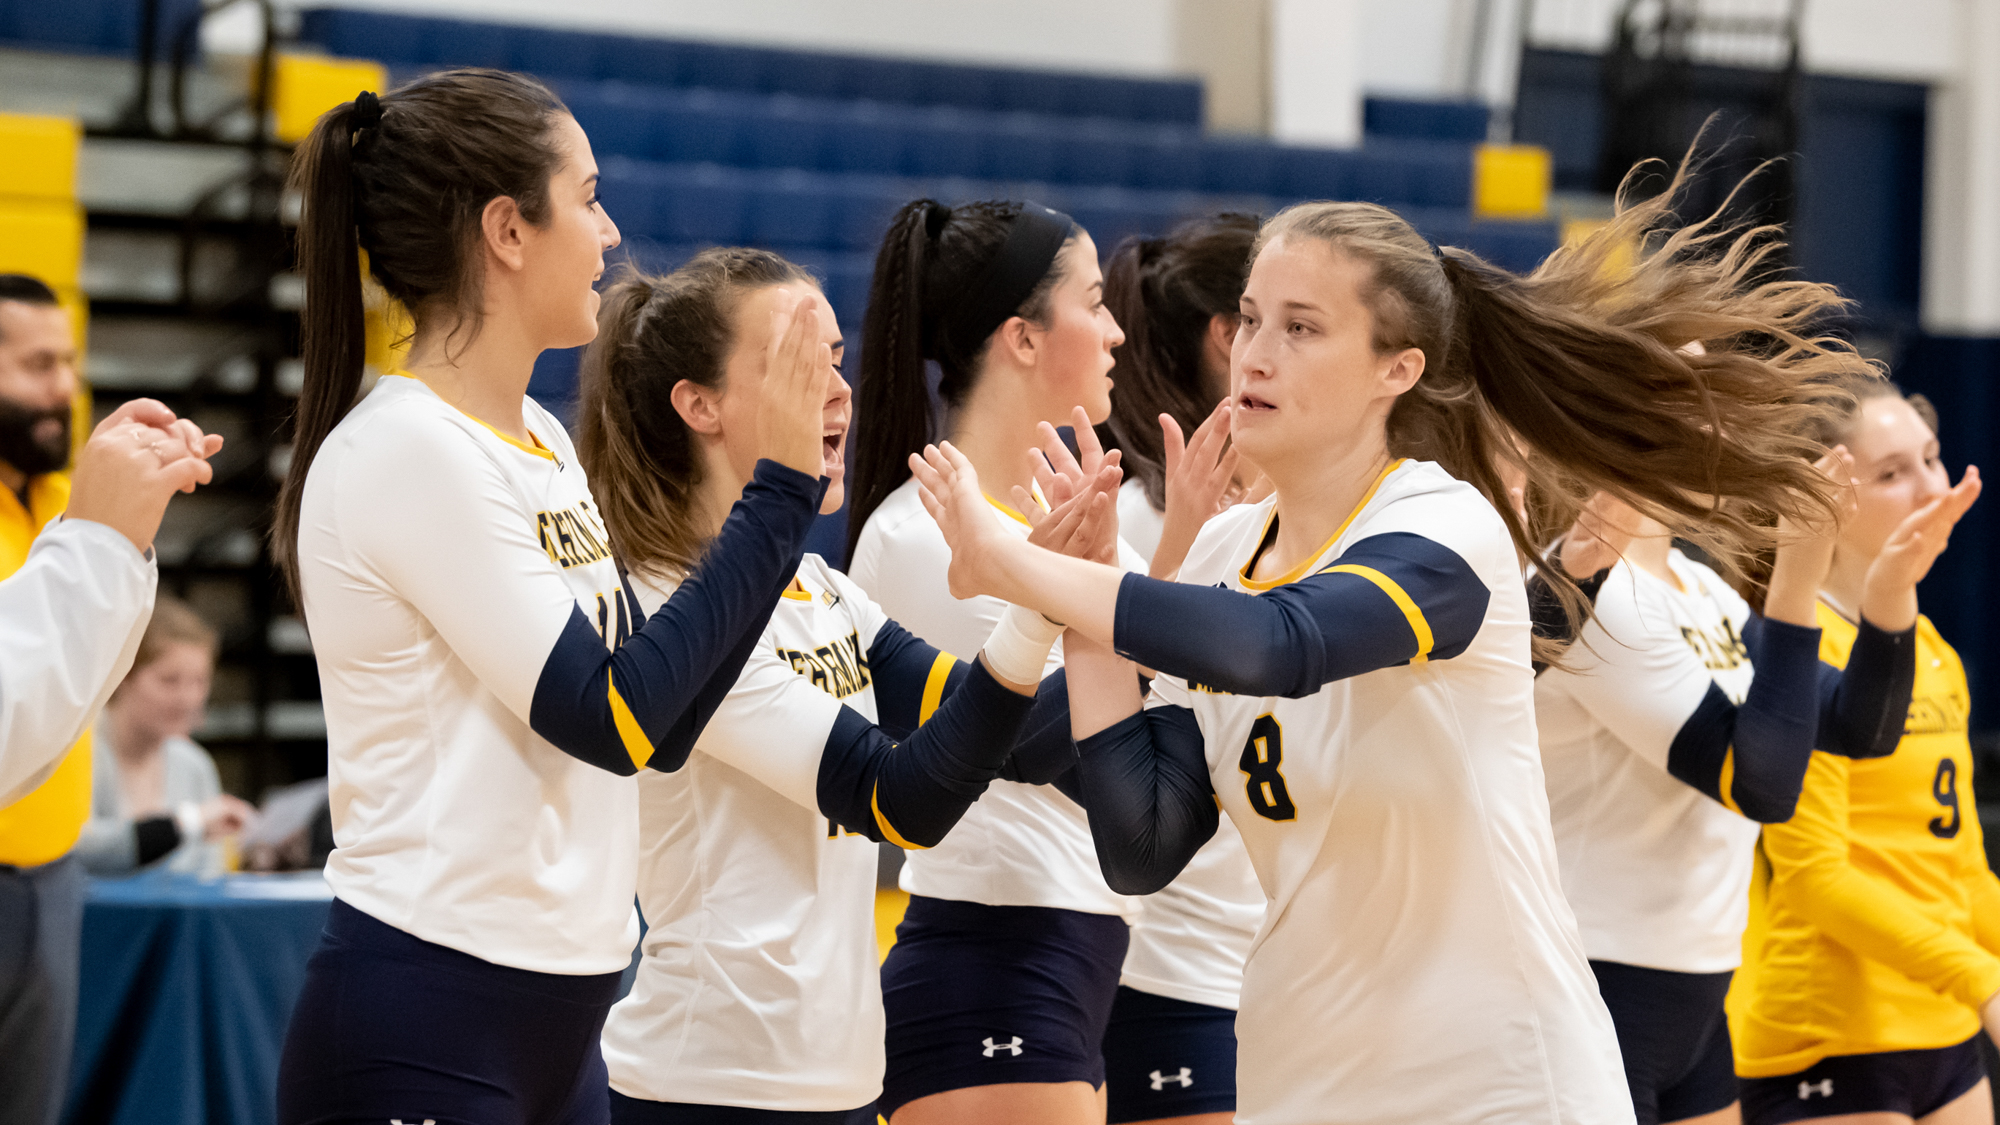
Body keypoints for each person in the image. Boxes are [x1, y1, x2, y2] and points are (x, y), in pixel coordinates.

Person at [903, 160, 1880, 1124]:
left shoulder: (1441, 529)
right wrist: (1082, 628)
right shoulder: (1218, 554)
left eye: (1300, 328)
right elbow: (1142, 844)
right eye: (1248, 319)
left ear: (1396, 370)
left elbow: (1277, 645)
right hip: (1304, 1080)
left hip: (1499, 1085)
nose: (1254, 354)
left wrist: (1016, 565)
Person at [272, 72, 831, 1125]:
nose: (612, 231)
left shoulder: (539, 440)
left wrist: (778, 507)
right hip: (426, 1012)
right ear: (506, 231)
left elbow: (656, 727)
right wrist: (782, 493)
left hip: (563, 1018)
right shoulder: (409, 451)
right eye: (586, 196)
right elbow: (607, 719)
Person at [580, 249, 1090, 1124]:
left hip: (844, 1079)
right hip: (707, 1085)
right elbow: (902, 799)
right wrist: (1034, 612)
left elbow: (1002, 727)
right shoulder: (669, 606)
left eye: (837, 361)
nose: (838, 392)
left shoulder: (821, 588)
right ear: (699, 404)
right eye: (798, 366)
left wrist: (1153, 637)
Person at [1535, 451, 1972, 1125]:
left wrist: (1889, 597)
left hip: (1702, 986)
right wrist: (1796, 584)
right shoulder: (1588, 588)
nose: (1714, 432)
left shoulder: (1696, 584)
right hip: (1600, 984)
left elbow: (1859, 726)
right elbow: (1761, 783)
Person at [845, 198, 1145, 1125]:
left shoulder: (1085, 527)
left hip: (1069, 956)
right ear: (1021, 337)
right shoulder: (917, 534)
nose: (1115, 330)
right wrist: (1169, 602)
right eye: (1092, 303)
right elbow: (1057, 750)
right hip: (993, 956)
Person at [1728, 374, 1994, 1125]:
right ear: (1827, 499)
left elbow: (1961, 866)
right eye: (1891, 472)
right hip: (1831, 1031)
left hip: (1944, 1021)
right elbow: (1818, 879)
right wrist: (1981, 977)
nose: (1930, 487)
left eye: (1932, 457)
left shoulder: (1930, 647)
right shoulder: (1789, 653)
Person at [0, 268, 222, 1125]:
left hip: (51, 879)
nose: (63, 385)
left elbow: (96, 666)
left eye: (68, 361)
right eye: (35, 363)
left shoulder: (66, 496)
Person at [1094, 215, 1266, 1125]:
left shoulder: (1318, 520)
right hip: (1174, 964)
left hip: (1288, 972)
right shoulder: (1125, 519)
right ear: (1229, 338)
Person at [74, 596, 257, 876]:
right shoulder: (77, 753)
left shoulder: (194, 765)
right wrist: (188, 822)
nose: (189, 698)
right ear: (123, 674)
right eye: (169, 680)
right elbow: (73, 849)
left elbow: (208, 878)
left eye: (200, 681)